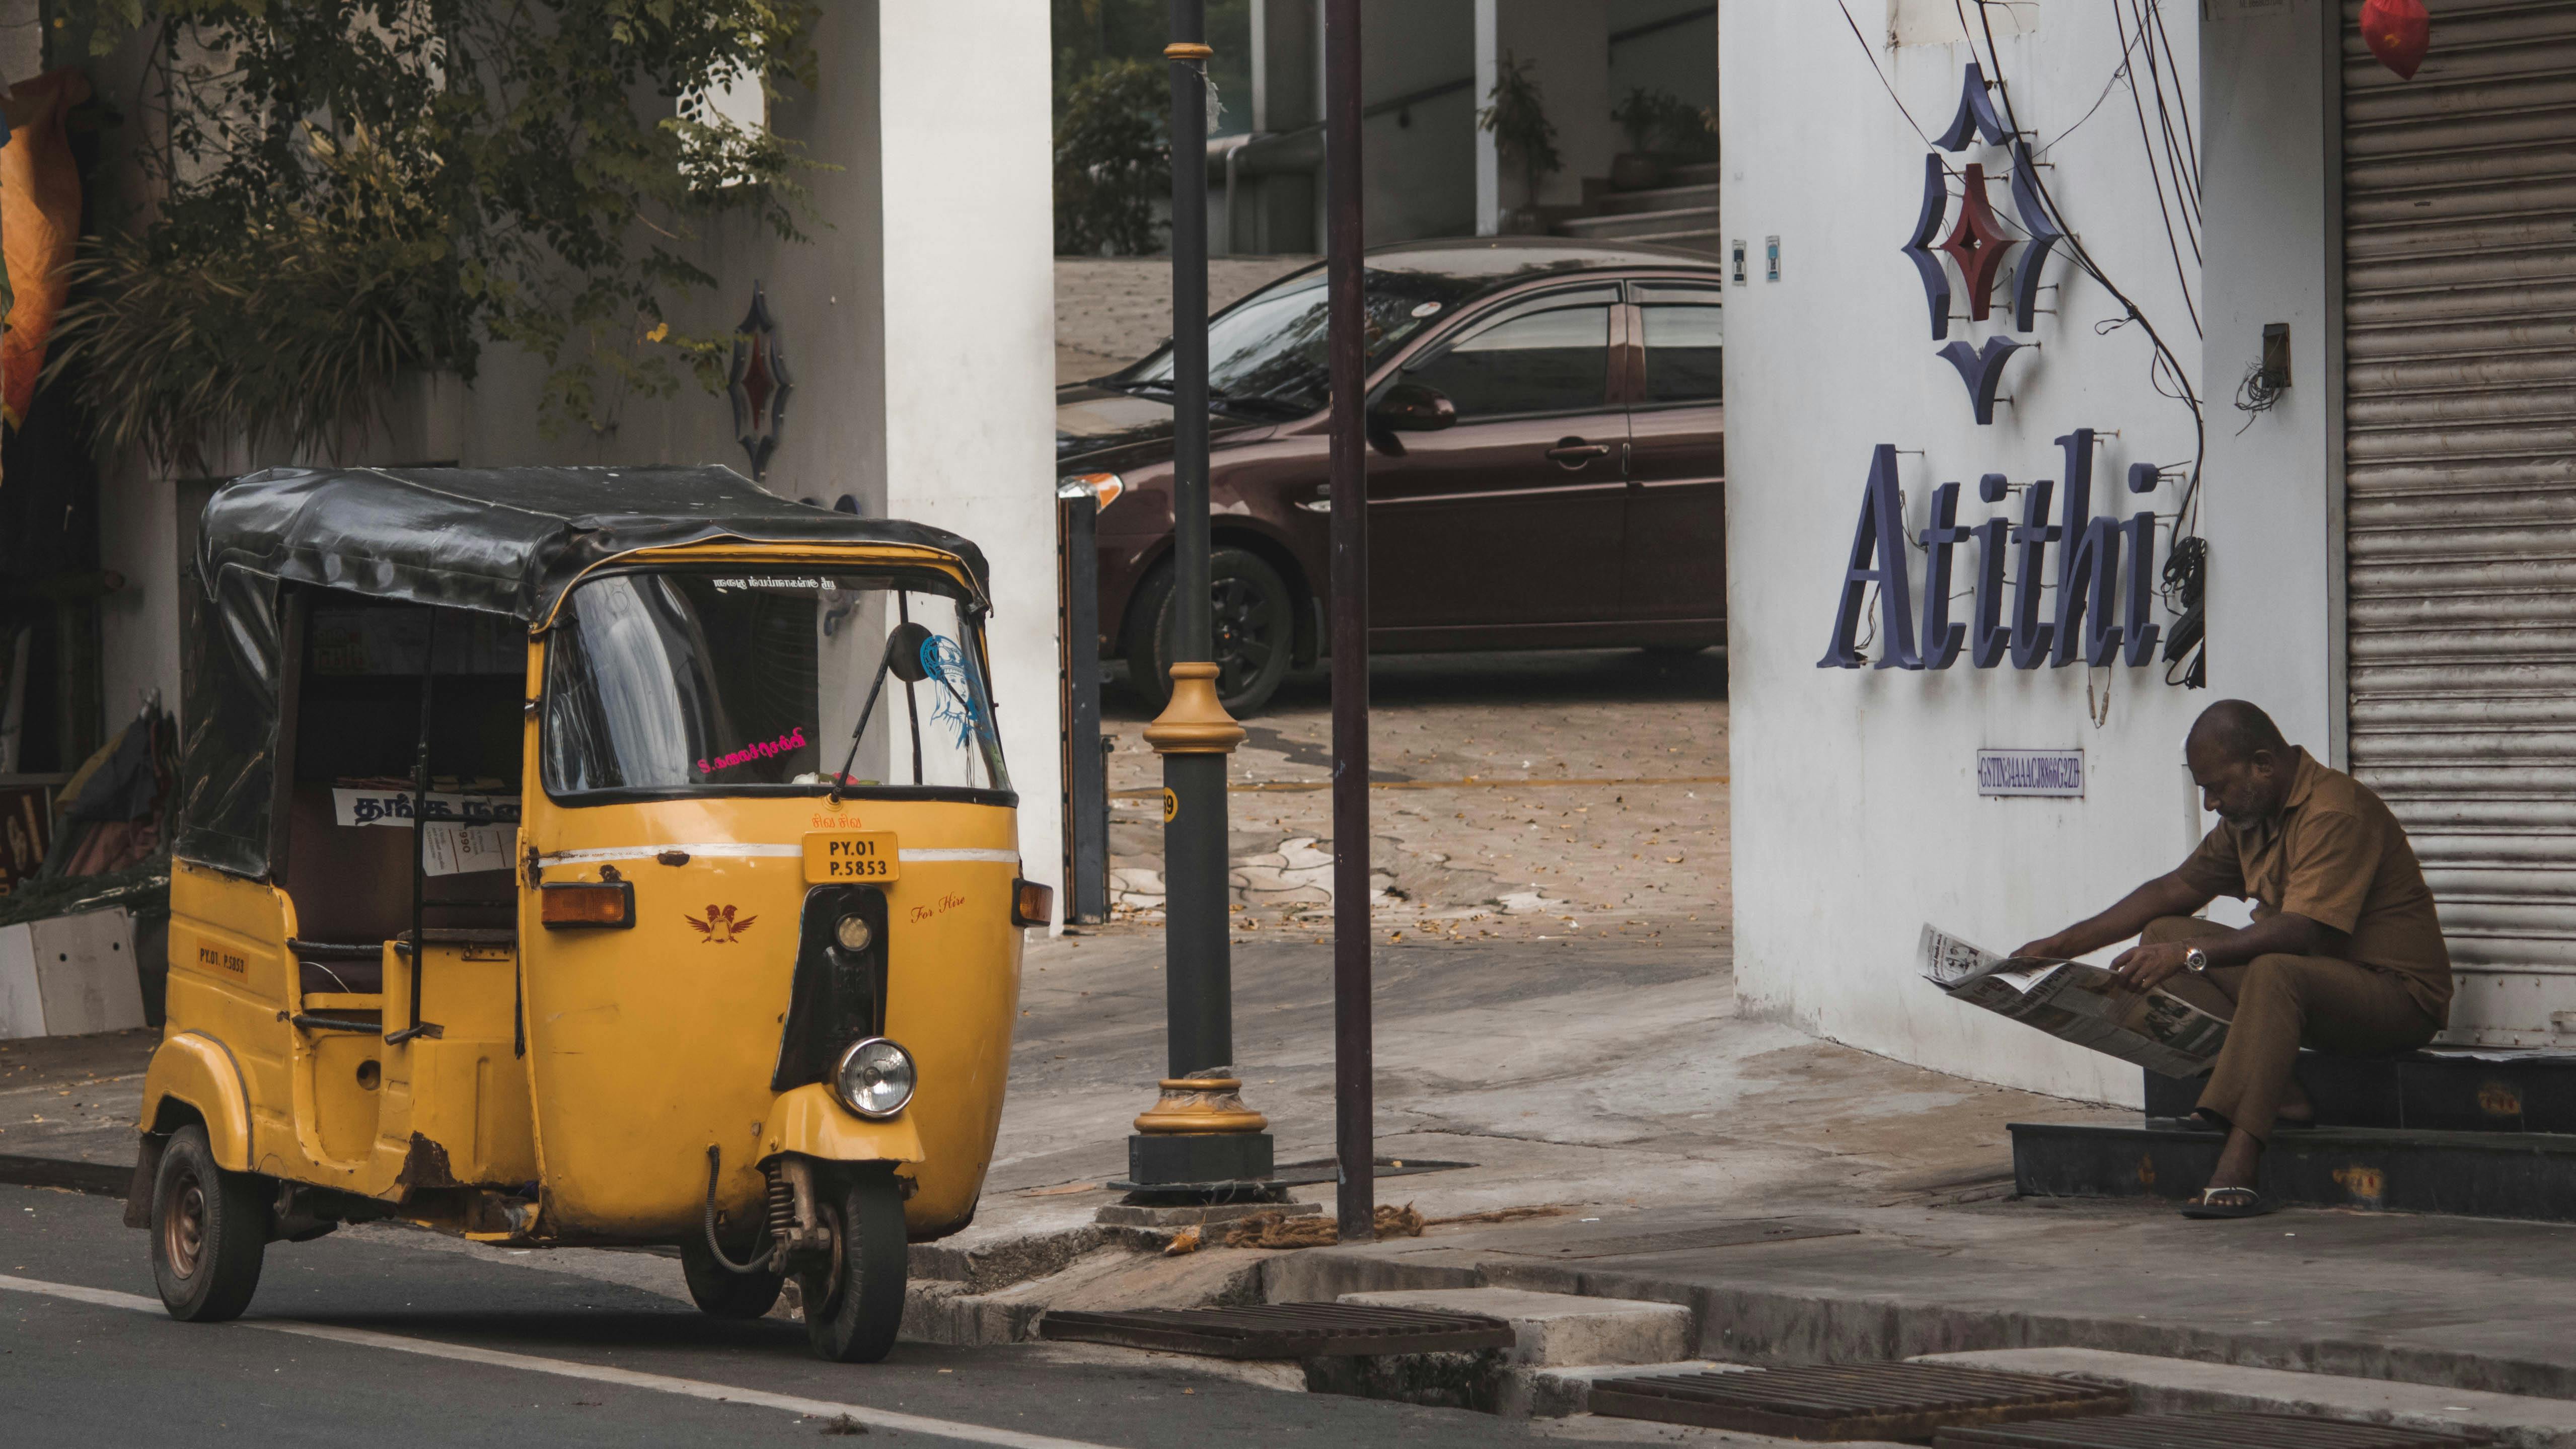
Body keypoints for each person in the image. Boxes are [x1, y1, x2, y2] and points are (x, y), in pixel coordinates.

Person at [2013, 699, 2450, 1219]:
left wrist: (2190, 954)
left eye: (2215, 787)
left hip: (2396, 999)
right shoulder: (2251, 816)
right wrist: (2058, 946)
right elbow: (2172, 889)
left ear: (2262, 764)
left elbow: (2299, 931)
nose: (2208, 802)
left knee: (2267, 964)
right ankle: (2279, 1094)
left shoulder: (2334, 812)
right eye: (2202, 788)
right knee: (2161, 933)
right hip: (2314, 990)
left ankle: (2240, 1162)